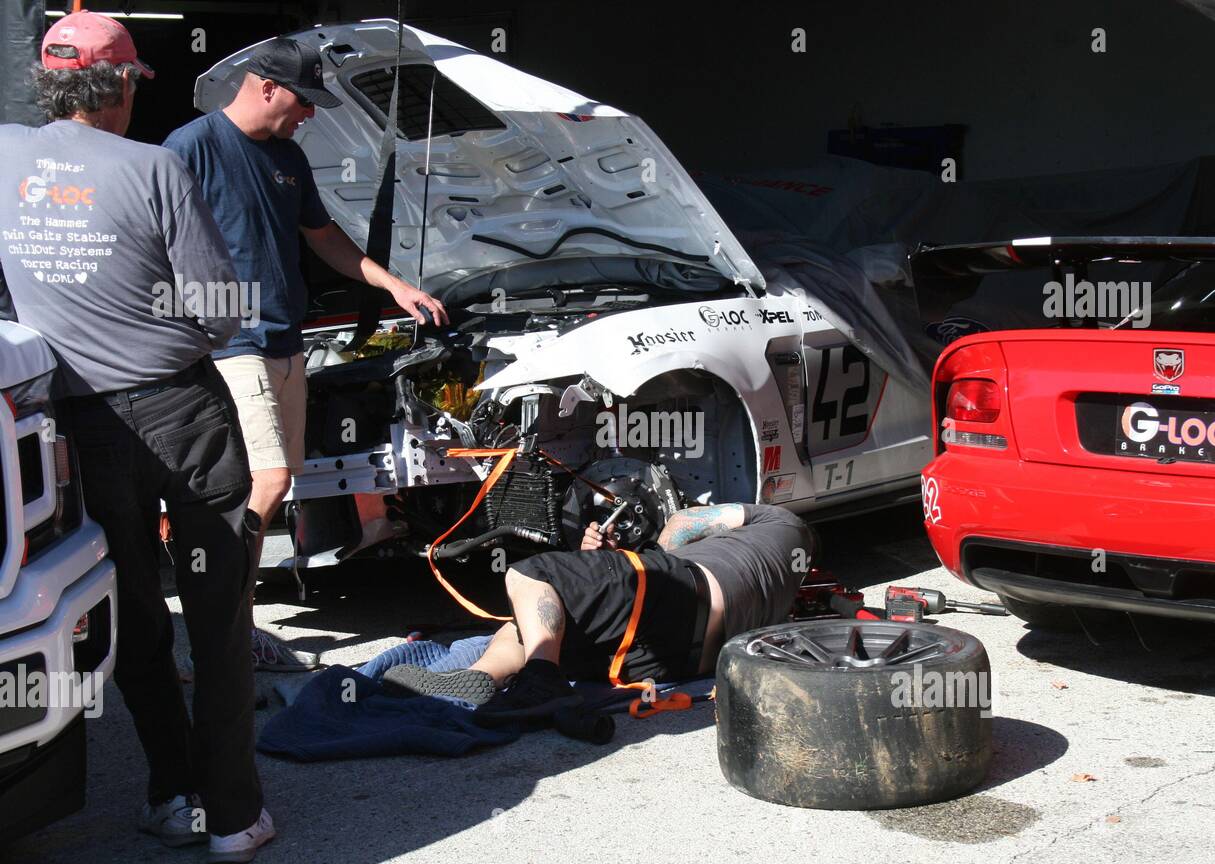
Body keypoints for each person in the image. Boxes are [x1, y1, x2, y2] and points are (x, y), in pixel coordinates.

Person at [0, 11, 272, 863]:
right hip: (180, 412)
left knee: (131, 614)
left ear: (50, 84)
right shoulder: (153, 167)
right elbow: (223, 314)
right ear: (120, 86)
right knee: (216, 609)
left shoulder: (5, 155)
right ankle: (231, 817)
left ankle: (172, 794)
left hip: (76, 422)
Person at [163, 37, 449, 671]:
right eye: (302, 101)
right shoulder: (191, 148)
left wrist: (395, 285)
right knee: (265, 481)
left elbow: (325, 240)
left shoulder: (287, 158)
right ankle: (223, 633)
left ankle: (229, 629)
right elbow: (155, 241)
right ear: (266, 86)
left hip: (289, 343)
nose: (310, 115)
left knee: (279, 482)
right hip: (231, 345)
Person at [383, 504, 816, 719]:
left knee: (531, 575)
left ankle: (543, 681)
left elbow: (681, 525)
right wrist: (620, 559)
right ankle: (480, 679)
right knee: (534, 626)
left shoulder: (777, 519)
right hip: (675, 659)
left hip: (684, 591)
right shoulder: (777, 586)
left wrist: (628, 557)